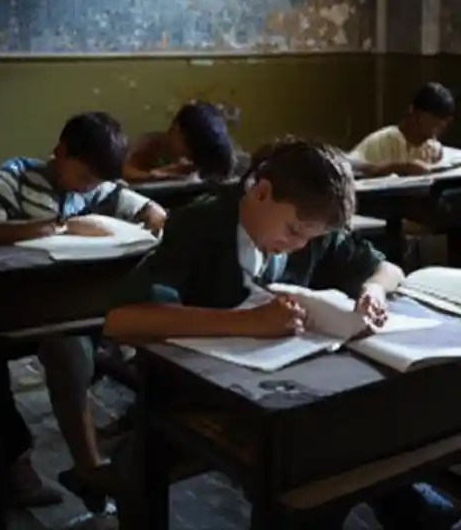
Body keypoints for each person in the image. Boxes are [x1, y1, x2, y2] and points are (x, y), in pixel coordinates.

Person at [105, 137, 457, 529]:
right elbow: (124, 321)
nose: (298, 247)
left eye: (309, 237)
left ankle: (397, 500)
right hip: (199, 391)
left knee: (351, 429)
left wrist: (372, 290)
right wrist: (246, 324)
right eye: (293, 231)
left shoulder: (310, 228)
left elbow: (389, 269)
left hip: (281, 388)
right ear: (261, 192)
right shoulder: (197, 224)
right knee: (312, 464)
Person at [0, 112, 166, 508]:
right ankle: (15, 459)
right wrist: (46, 227)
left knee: (70, 349)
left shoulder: (98, 188)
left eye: (96, 182)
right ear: (61, 151)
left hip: (76, 310)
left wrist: (153, 217)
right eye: (85, 177)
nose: (89, 188)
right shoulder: (15, 175)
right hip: (18, 306)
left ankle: (91, 468)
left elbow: (146, 209)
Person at [349, 82, 455, 177]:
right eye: (432, 122)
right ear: (414, 113)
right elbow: (347, 168)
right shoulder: (381, 141)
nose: (436, 131)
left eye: (441, 125)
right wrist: (399, 168)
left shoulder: (433, 149)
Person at [122, 100, 236, 183]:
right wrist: (160, 175)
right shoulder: (148, 145)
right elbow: (125, 173)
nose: (185, 158)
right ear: (176, 130)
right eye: (187, 147)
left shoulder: (202, 155)